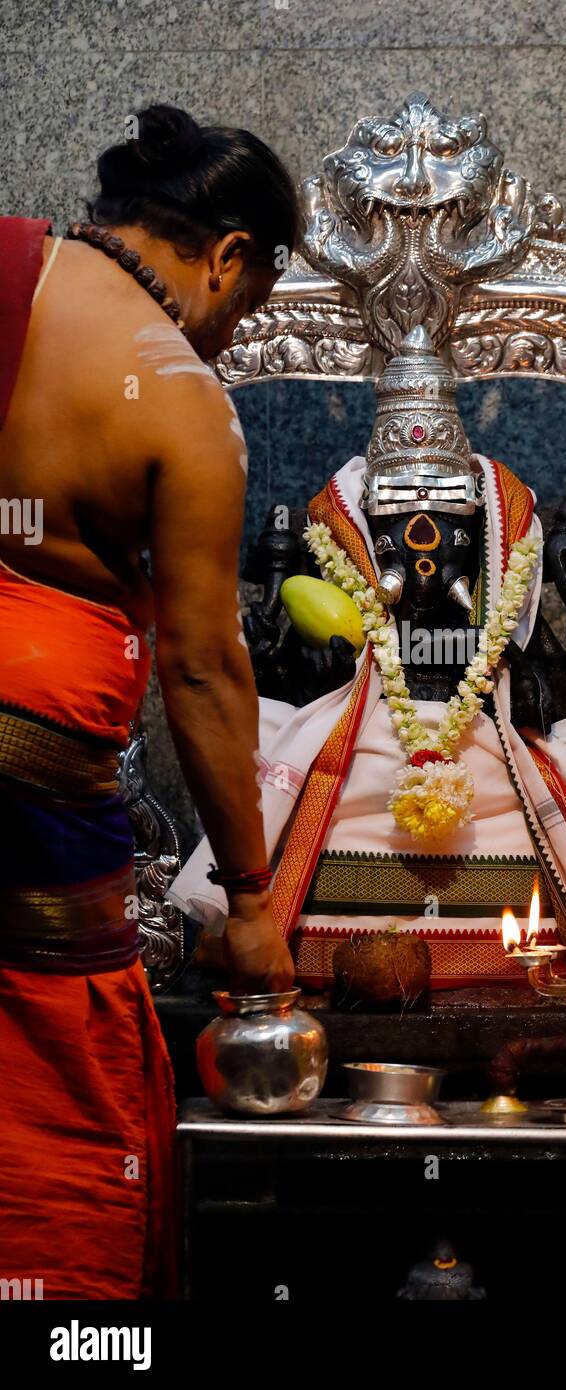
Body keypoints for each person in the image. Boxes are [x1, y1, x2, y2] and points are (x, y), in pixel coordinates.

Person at [0, 104, 296, 1298]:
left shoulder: (9, 260)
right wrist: (255, 900)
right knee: (64, 1072)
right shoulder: (179, 398)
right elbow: (206, 669)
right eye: (245, 308)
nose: (225, 338)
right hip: (31, 770)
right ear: (227, 256)